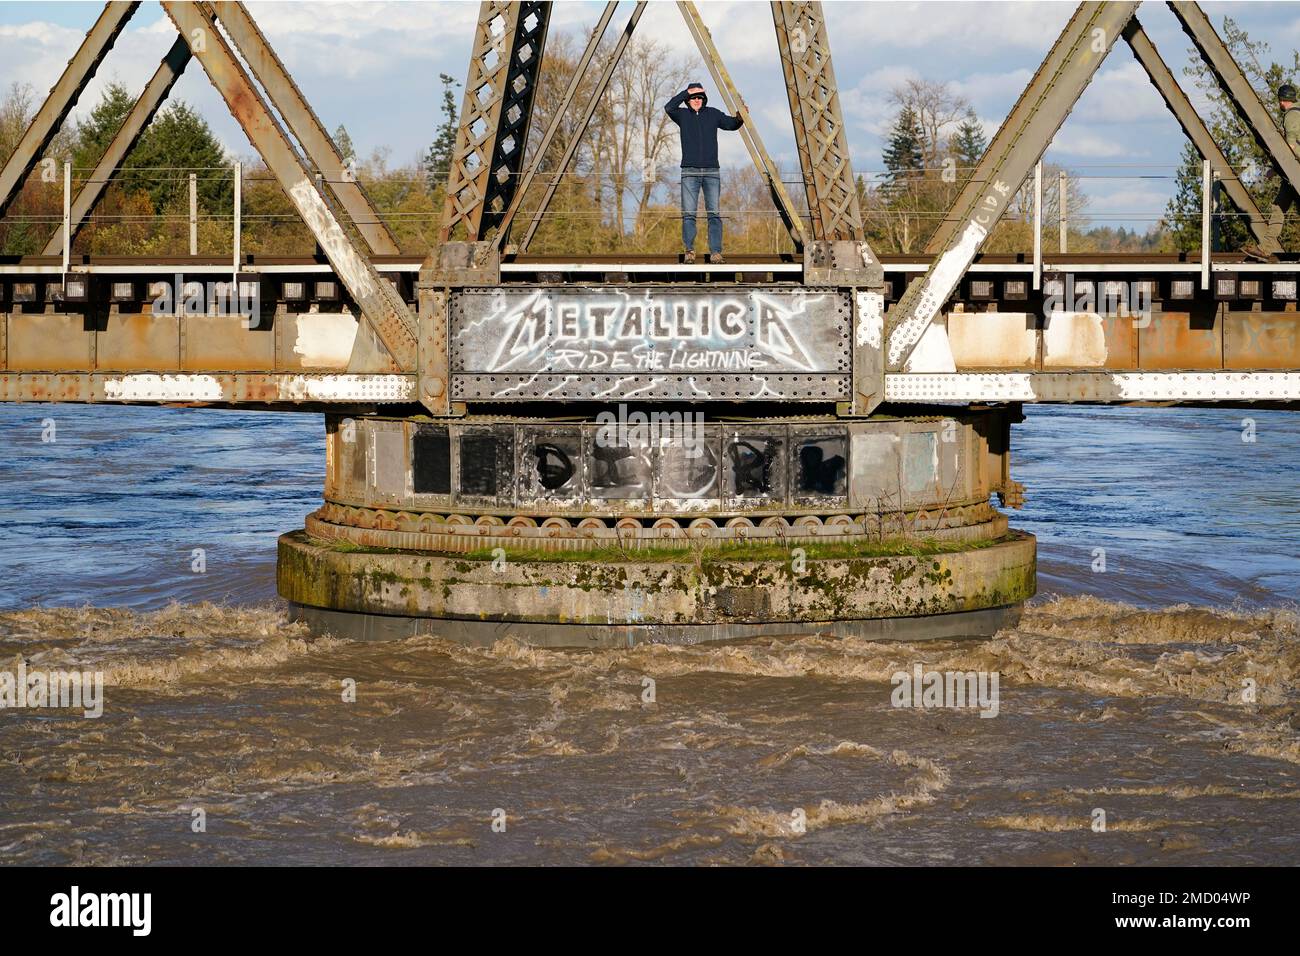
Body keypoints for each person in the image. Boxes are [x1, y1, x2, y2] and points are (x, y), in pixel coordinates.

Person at [664, 82, 743, 264]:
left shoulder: (713, 114)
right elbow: (669, 107)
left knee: (714, 214)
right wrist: (686, 92)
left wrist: (741, 117)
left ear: (704, 99)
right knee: (689, 214)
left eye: (699, 97)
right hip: (689, 172)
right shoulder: (681, 115)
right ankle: (690, 251)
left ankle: (716, 253)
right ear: (688, 100)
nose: (696, 100)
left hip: (711, 171)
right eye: (693, 98)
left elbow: (731, 124)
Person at [1254, 82, 1300, 258]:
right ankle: (1265, 248)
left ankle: (1265, 248)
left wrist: (1276, 168)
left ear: (1282, 101)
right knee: (1278, 207)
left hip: (1295, 171)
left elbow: (1291, 147)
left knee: (1278, 208)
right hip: (1292, 173)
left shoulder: (1291, 116)